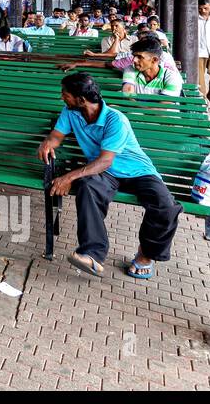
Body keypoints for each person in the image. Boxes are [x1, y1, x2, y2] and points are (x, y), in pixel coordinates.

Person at [37, 73, 182, 279]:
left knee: (166, 205)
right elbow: (57, 135)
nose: (62, 97)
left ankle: (146, 255)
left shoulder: (116, 120)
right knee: (88, 188)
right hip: (105, 173)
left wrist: (68, 177)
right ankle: (92, 254)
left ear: (81, 99)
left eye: (65, 94)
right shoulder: (71, 112)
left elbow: (106, 160)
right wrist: (49, 142)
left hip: (138, 172)